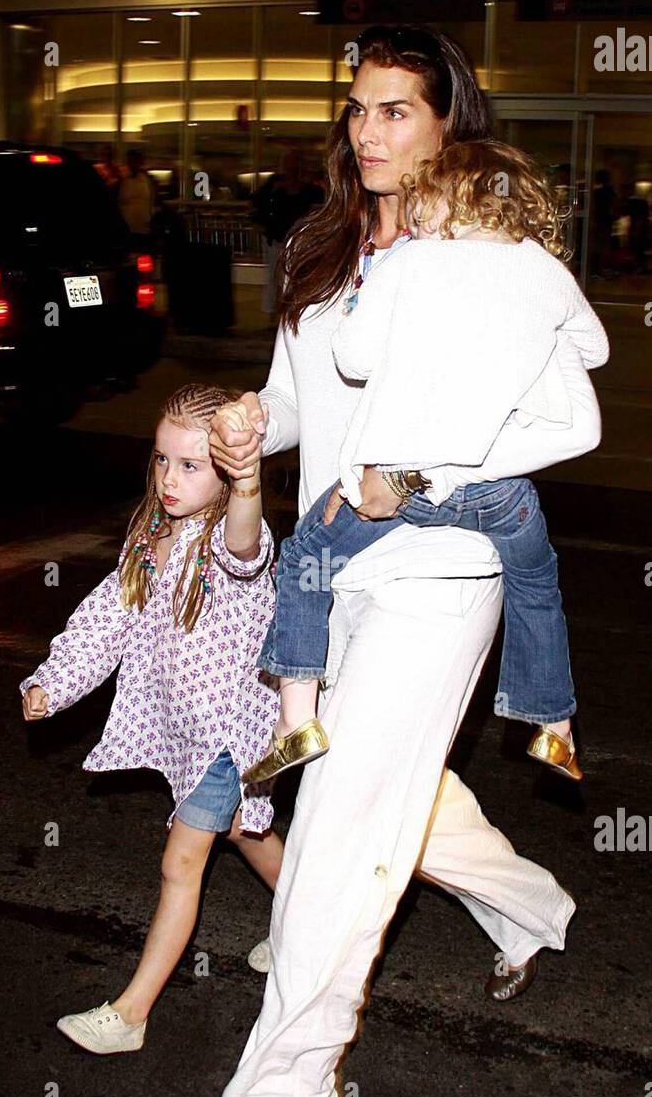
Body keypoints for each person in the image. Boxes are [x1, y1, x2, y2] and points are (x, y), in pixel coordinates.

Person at [202, 25, 600, 1097]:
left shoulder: (484, 247)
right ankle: (533, 906)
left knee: (341, 815)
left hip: (437, 571)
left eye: (397, 111)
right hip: (328, 571)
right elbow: (289, 403)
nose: (370, 133)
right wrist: (244, 426)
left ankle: (296, 1078)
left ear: (447, 122)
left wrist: (421, 480)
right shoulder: (320, 248)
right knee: (398, 790)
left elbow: (564, 421)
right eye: (359, 110)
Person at [243, 138, 608, 790]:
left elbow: (352, 360)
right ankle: (552, 725)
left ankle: (295, 716)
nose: (413, 215)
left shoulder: (413, 265)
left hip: (399, 481)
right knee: (535, 582)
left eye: (423, 201)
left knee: (304, 559)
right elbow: (592, 348)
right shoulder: (544, 270)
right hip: (500, 492)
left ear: (448, 201)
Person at [19, 383, 283, 1053]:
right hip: (182, 730)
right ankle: (318, 925)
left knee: (180, 862)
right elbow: (104, 622)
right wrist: (52, 683)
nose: (169, 477)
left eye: (191, 465)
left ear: (225, 471)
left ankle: (132, 1013)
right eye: (162, 460)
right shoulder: (150, 537)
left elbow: (245, 543)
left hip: (229, 734)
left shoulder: (230, 540)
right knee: (244, 833)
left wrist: (248, 481)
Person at [253, 151, 325, 316]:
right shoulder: (276, 185)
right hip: (278, 236)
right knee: (275, 275)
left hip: (299, 239)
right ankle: (273, 311)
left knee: (296, 275)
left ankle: (290, 309)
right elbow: (259, 203)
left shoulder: (308, 188)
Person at [117, 148, 158, 251]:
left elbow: (151, 202)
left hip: (144, 228)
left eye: (138, 161)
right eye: (133, 161)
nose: (135, 164)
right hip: (127, 229)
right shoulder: (121, 180)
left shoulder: (146, 179)